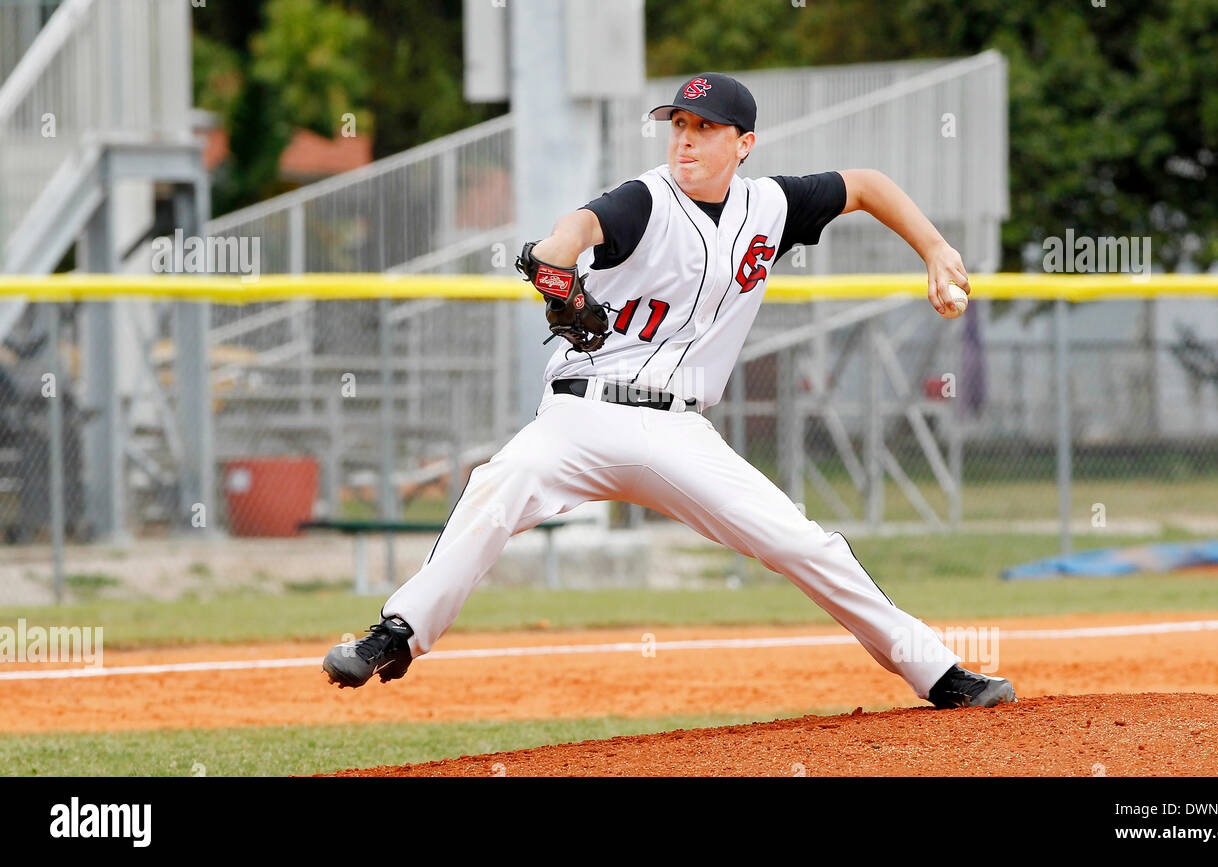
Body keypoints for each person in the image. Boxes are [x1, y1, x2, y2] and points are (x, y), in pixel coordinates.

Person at [323, 72, 1015, 710]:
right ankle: (397, 634)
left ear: (743, 143)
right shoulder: (645, 198)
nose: (685, 137)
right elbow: (574, 232)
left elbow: (864, 184)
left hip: (681, 431)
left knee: (804, 543)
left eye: (704, 127)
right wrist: (557, 272)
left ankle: (938, 672)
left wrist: (933, 246)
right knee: (495, 486)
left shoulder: (771, 207)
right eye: (678, 123)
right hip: (581, 416)